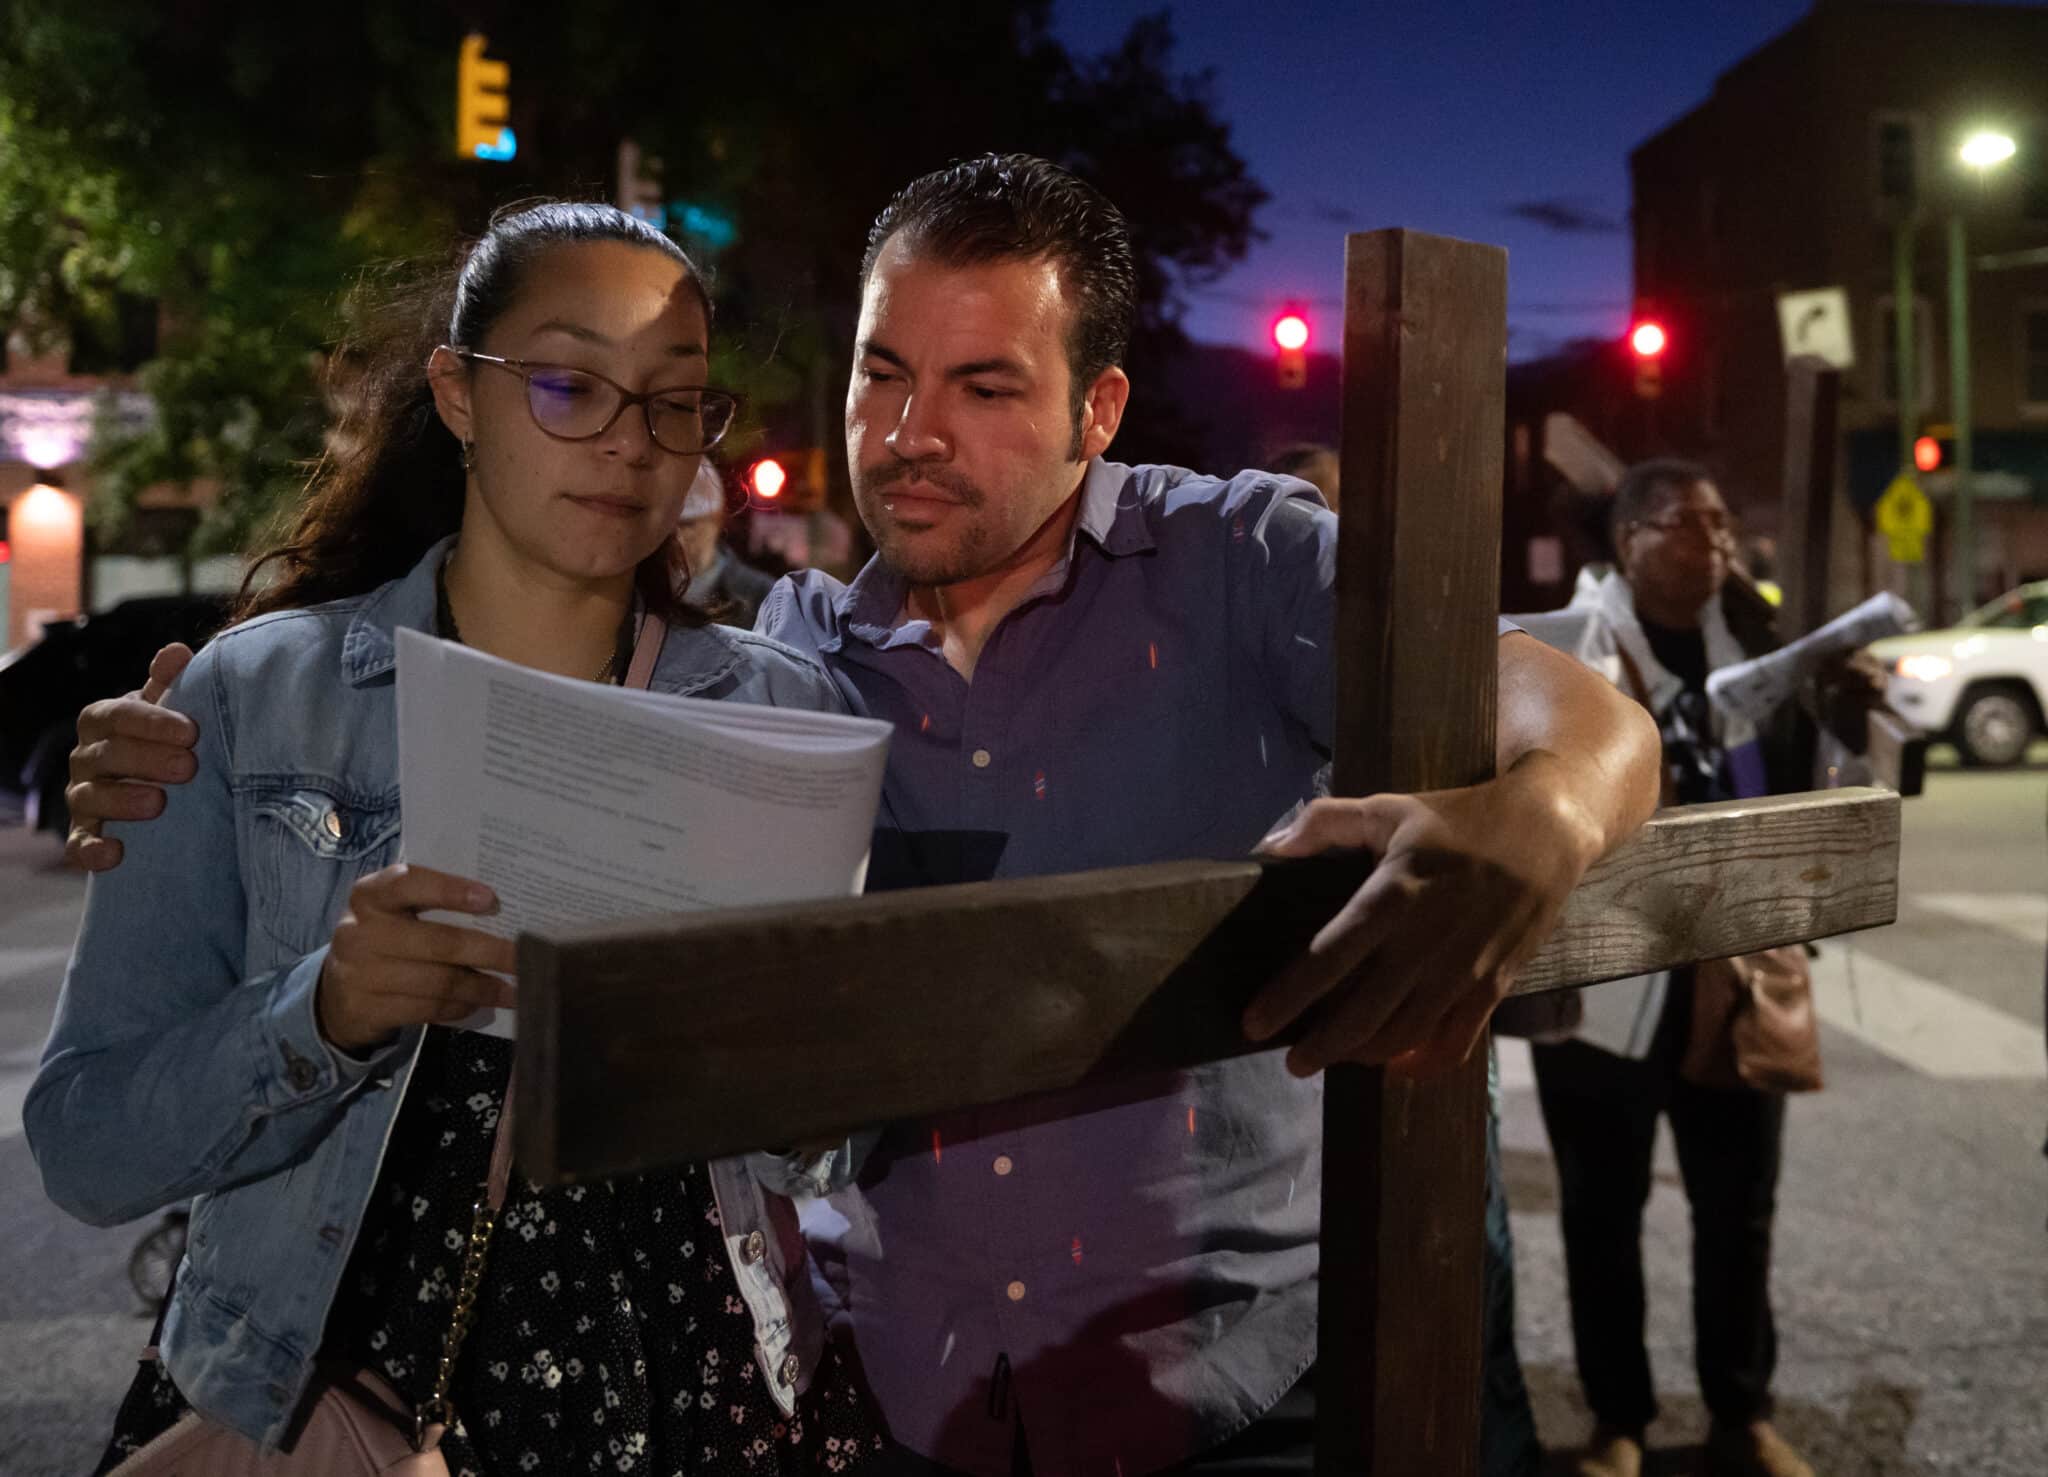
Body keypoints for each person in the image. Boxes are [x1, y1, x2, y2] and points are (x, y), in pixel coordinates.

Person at [65, 158, 1663, 1475]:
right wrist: (261, 908)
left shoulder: (1202, 572)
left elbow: (1551, 699)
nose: (911, 435)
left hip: (1203, 1388)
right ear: (462, 396)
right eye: (885, 375)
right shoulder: (796, 670)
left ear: (1098, 408)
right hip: (881, 1397)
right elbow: (99, 1123)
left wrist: (1551, 814)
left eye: (984, 386)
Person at [29, 202, 883, 1474]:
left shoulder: (780, 711)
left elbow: (828, 1143)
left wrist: (800, 1070)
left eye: (672, 402)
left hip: (698, 1388)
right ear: (458, 393)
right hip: (333, 1382)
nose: (625, 444)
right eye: (564, 384)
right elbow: (89, 1143)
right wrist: (318, 1011)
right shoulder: (256, 700)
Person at [1532, 458, 1872, 1477]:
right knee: (1601, 1208)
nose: (1713, 539)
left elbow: (1826, 789)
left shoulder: (1765, 643)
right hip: (1604, 982)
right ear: (1626, 540)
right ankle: (1617, 1419)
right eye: (1684, 520)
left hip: (1735, 967)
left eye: (1722, 520)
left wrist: (1843, 712)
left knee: (1738, 1205)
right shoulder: (1566, 652)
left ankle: (1741, 1410)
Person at [680, 460, 779, 628]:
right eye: (670, 525)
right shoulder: (642, 591)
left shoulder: (761, 595)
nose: (677, 536)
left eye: (688, 524)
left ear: (717, 520)